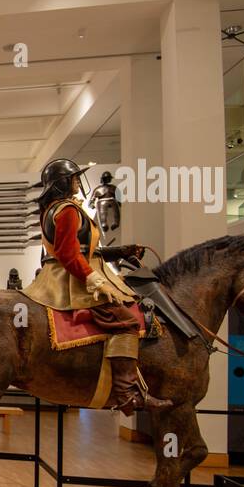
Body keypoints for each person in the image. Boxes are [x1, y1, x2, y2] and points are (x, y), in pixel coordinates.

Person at [22, 158, 170, 415]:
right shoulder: (67, 209)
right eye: (74, 178)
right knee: (125, 321)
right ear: (63, 182)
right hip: (71, 279)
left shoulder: (58, 208)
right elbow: (69, 254)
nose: (78, 182)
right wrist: (93, 278)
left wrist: (118, 252)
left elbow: (84, 249)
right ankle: (125, 393)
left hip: (71, 271)